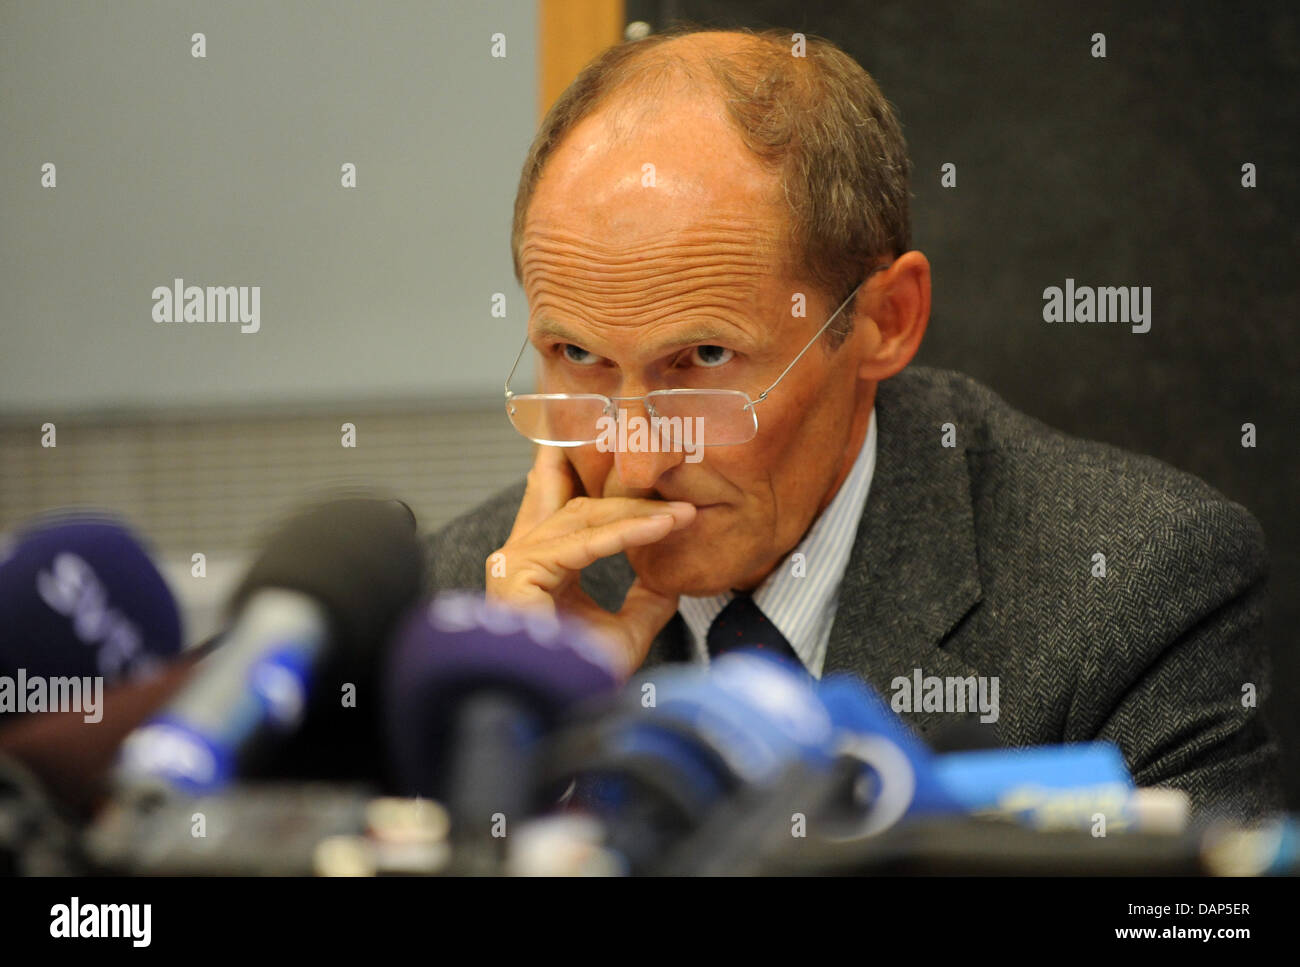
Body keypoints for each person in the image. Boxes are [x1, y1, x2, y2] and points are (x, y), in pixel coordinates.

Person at [425, 26, 1279, 821]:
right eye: (576, 354)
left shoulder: (1129, 589)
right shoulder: (462, 617)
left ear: (884, 320)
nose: (636, 465)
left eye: (706, 362)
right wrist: (540, 760)